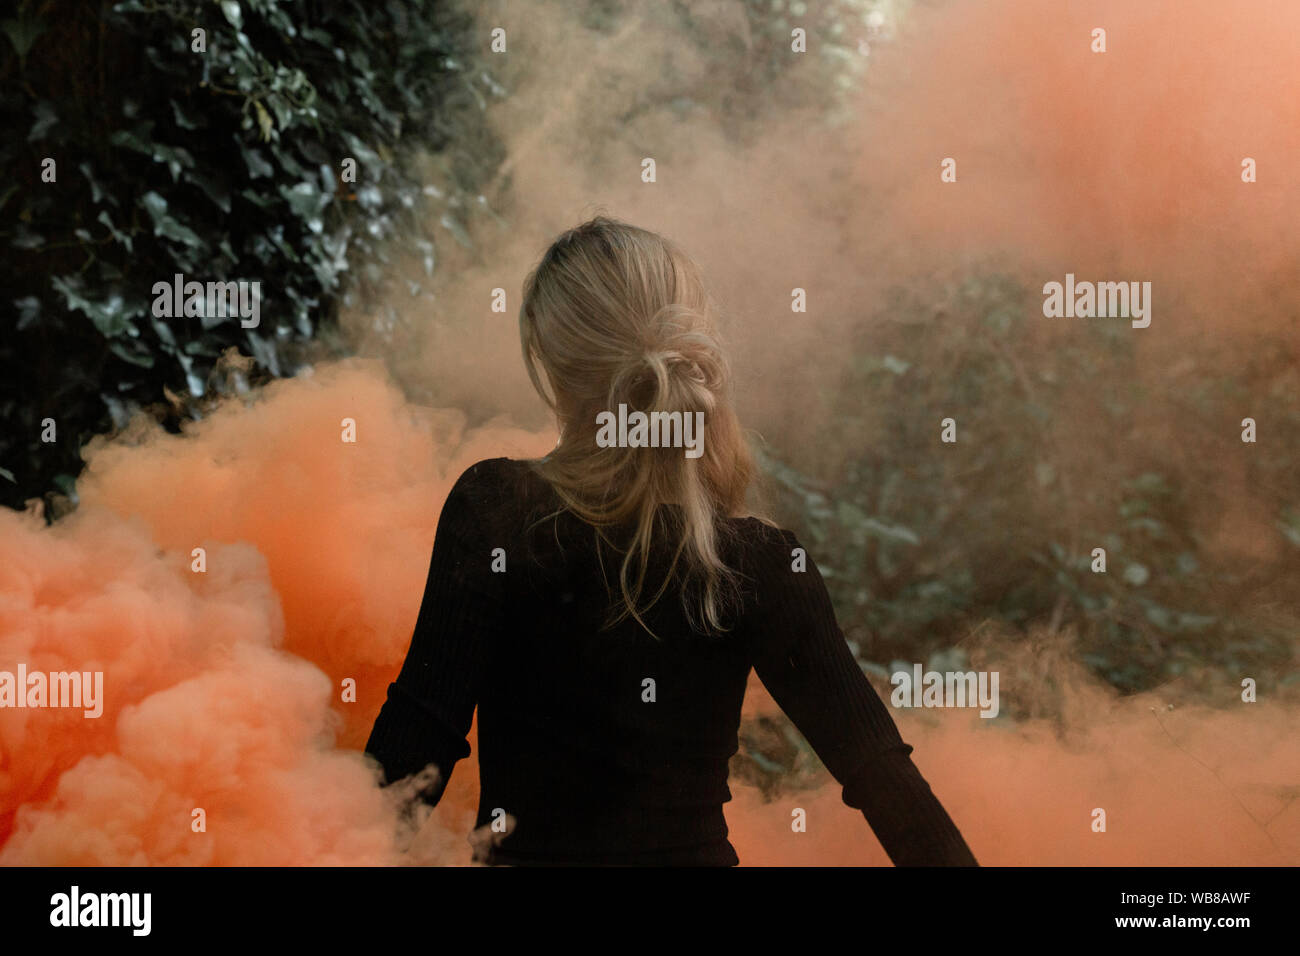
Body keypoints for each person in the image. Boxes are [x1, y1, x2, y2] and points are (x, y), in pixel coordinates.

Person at [365, 216, 978, 866]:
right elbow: (884, 780)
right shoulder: (759, 564)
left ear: (550, 363)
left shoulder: (493, 510)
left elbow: (410, 760)